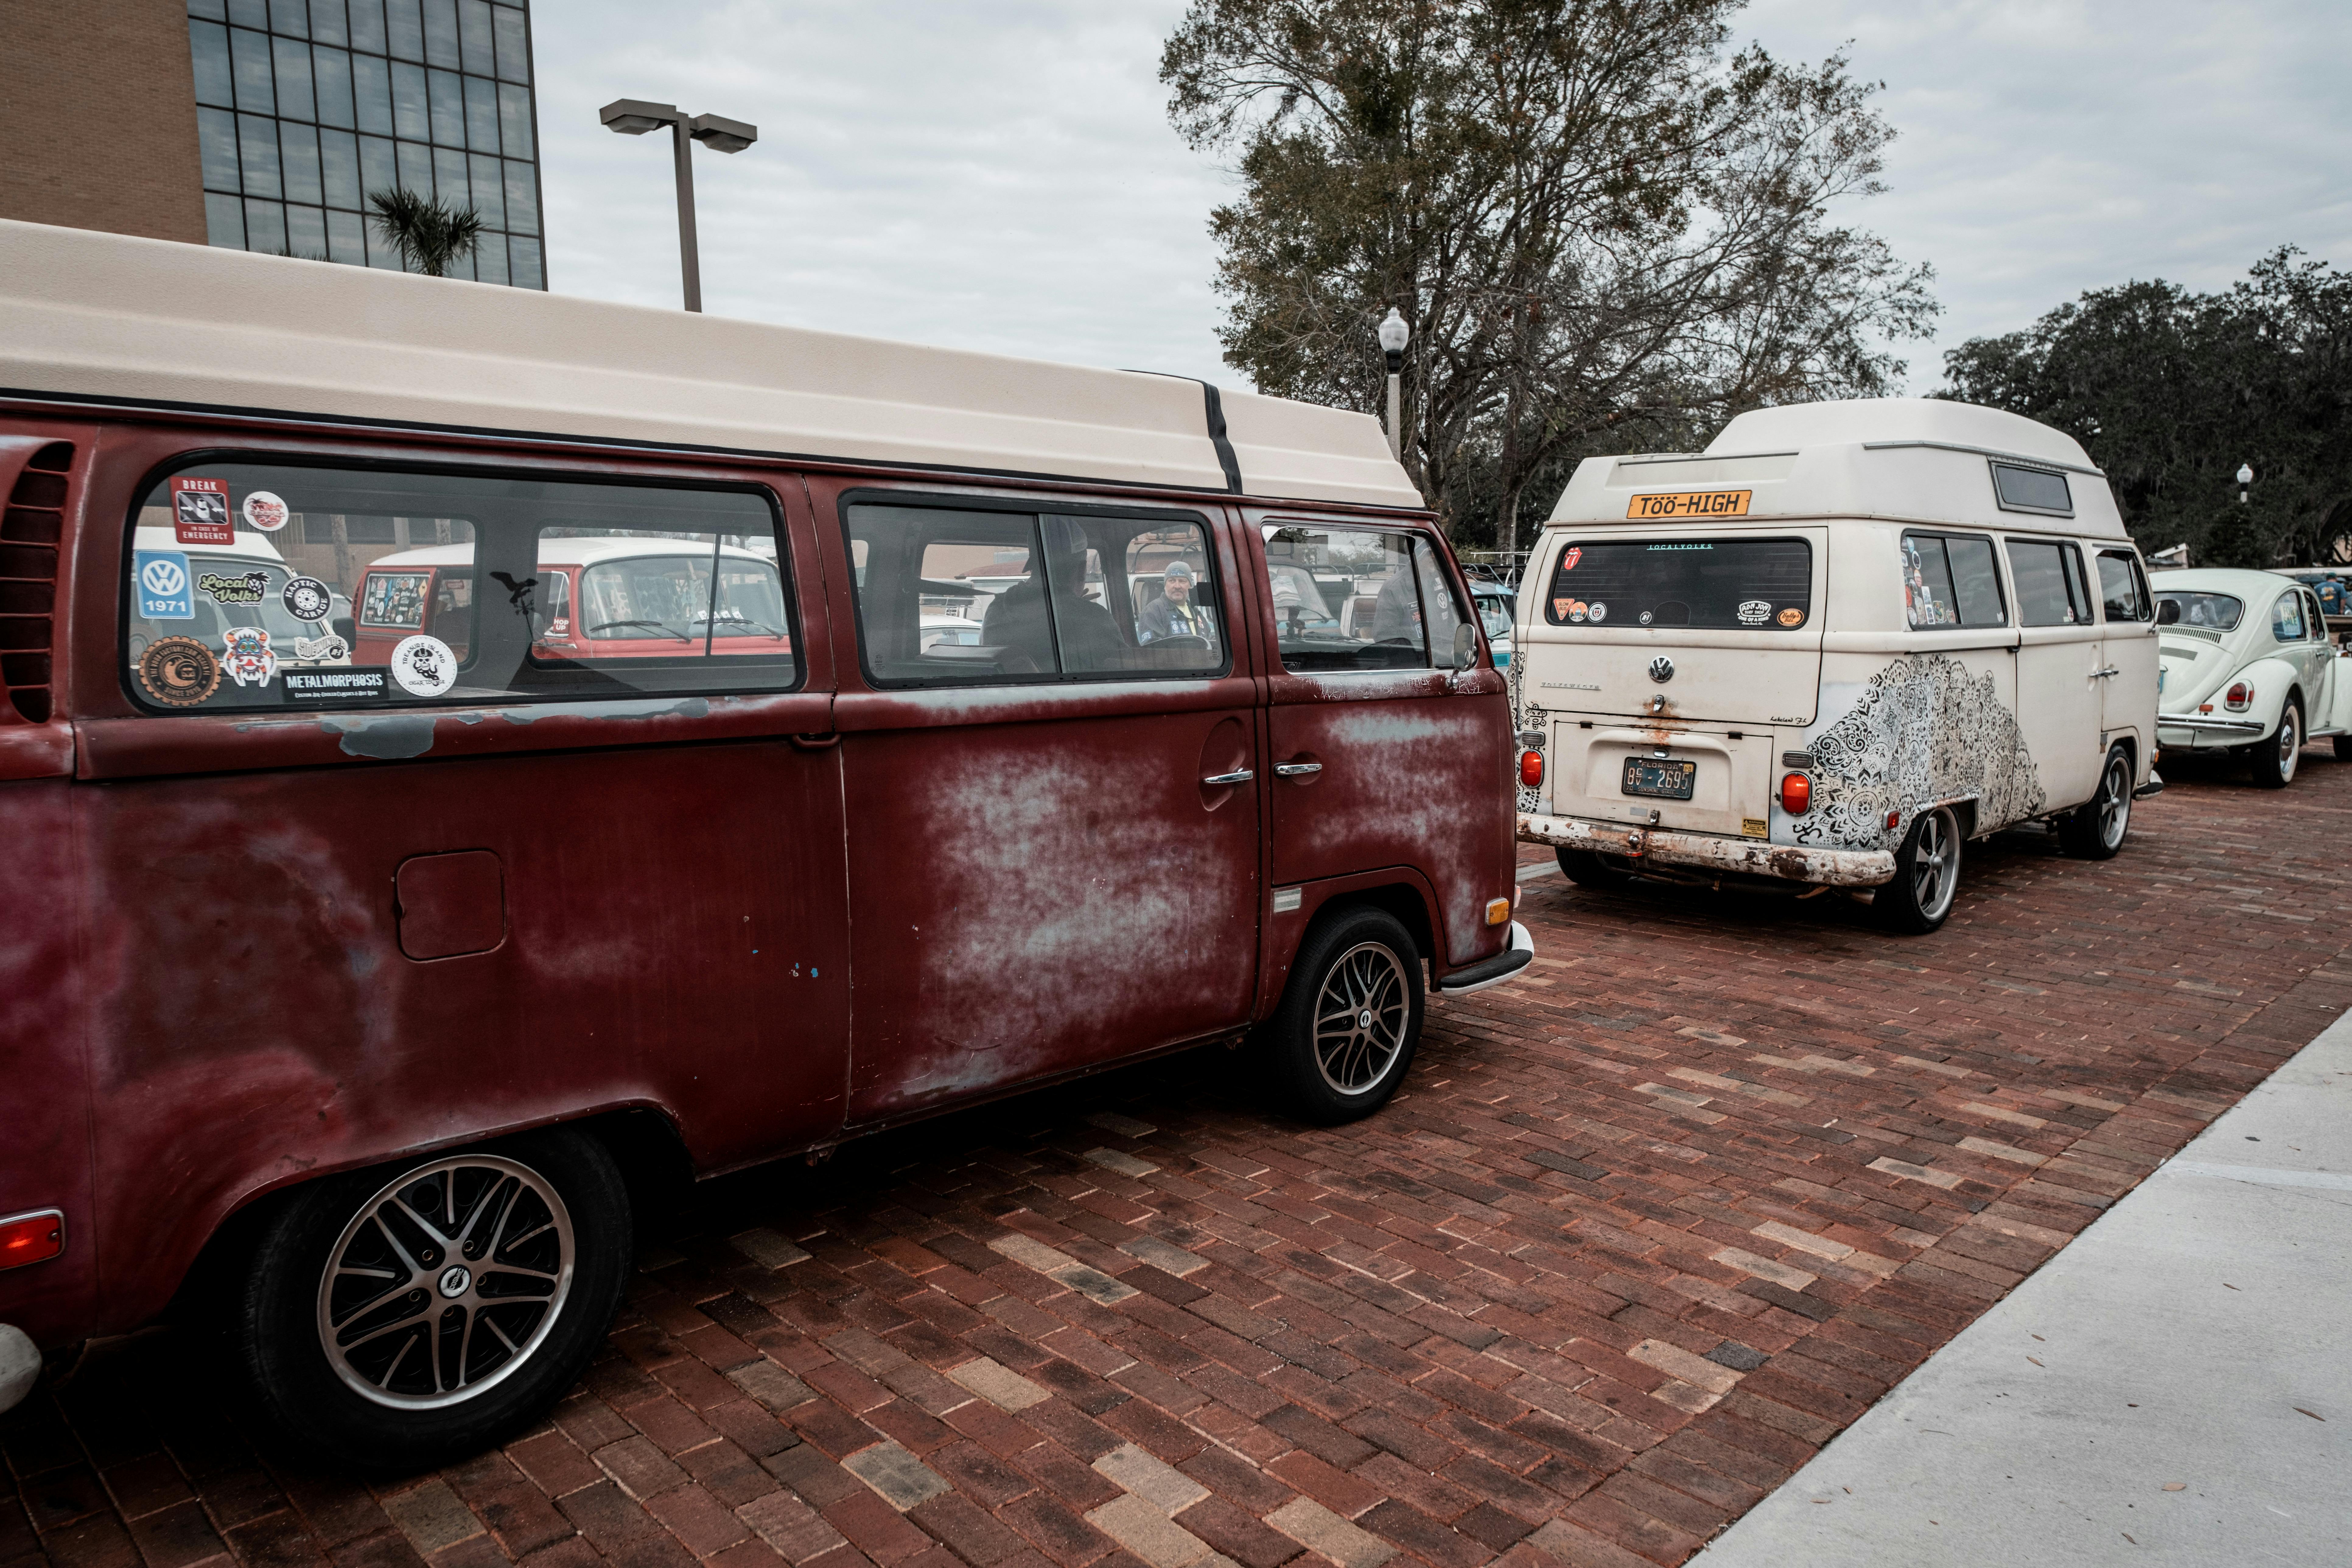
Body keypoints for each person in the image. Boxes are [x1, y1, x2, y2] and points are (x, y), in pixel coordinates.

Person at [981, 516, 1122, 673]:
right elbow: (1125, 670)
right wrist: (1082, 609)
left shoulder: (996, 610)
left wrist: (1074, 605)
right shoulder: (1094, 618)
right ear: (1082, 570)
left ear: (1033, 564)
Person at [1138, 561, 1217, 647]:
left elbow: (1209, 642)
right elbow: (1152, 651)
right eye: (1172, 581)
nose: (1177, 586)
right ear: (1165, 585)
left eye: (1182, 581)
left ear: (1191, 586)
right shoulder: (1153, 612)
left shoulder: (1195, 612)